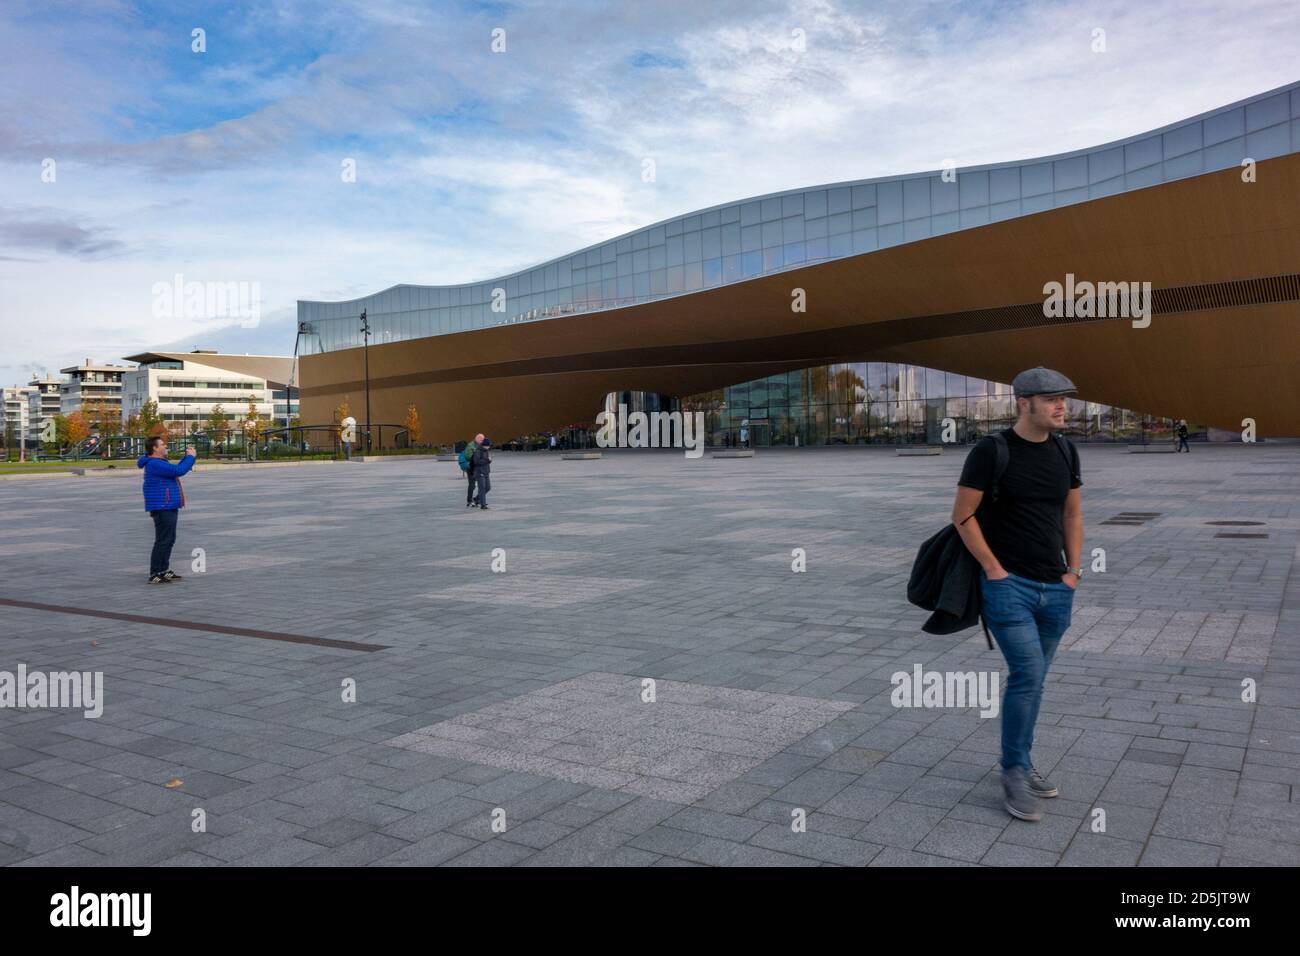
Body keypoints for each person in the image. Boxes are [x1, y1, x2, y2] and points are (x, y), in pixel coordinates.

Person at [950, 367, 1083, 822]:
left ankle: (1020, 763)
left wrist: (1074, 572)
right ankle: (1013, 771)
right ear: (1024, 404)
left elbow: (1072, 515)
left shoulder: (1066, 450)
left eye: (1064, 399)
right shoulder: (992, 451)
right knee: (1027, 672)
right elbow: (963, 515)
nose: (1062, 406)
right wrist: (994, 570)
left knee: (1035, 679)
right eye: (1052, 400)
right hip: (1010, 588)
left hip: (1057, 587)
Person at [137, 436, 197, 584]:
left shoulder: (159, 463)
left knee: (169, 539)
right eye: (162, 444)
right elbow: (178, 470)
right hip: (162, 506)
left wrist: (186, 458)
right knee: (163, 540)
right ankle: (155, 573)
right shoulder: (154, 464)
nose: (165, 446)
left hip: (168, 505)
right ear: (155, 448)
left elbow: (175, 470)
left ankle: (163, 570)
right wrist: (190, 457)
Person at [472, 436, 492, 510]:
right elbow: (476, 462)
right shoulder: (478, 451)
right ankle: (483, 505)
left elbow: (486, 461)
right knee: (482, 489)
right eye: (488, 445)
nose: (489, 447)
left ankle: (476, 499)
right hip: (479, 472)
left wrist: (489, 461)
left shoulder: (486, 451)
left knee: (488, 487)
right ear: (485, 445)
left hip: (486, 472)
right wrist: (487, 460)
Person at [464, 433, 482, 507]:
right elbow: (468, 456)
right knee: (472, 485)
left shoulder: (479, 445)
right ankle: (469, 500)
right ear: (477, 439)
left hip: (478, 468)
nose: (482, 441)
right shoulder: (470, 446)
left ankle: (477, 499)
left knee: (481, 484)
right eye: (481, 440)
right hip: (471, 468)